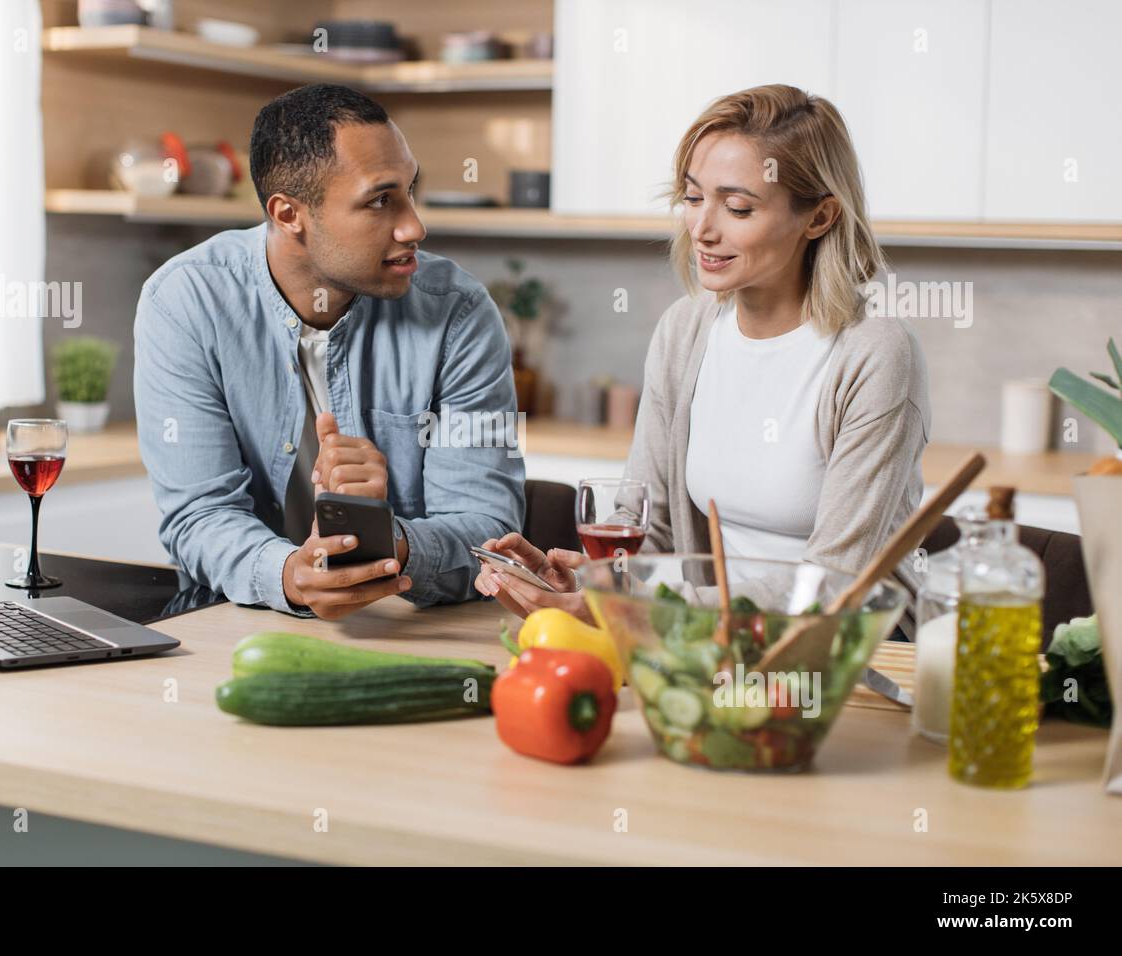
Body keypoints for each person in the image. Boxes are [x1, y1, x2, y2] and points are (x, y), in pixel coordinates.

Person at [477, 84, 930, 635]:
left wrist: (649, 607)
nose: (703, 228)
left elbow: (833, 581)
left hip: (846, 660)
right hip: (706, 645)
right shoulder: (685, 330)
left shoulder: (875, 353)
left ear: (820, 217)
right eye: (693, 198)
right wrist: (592, 583)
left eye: (738, 207)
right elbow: (653, 531)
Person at [135, 83, 524, 620]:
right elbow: (199, 518)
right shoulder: (186, 300)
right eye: (381, 200)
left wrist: (389, 541)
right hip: (234, 619)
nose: (415, 225)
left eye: (411, 191)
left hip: (409, 624)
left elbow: (489, 528)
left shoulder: (457, 313)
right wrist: (292, 574)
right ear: (289, 213)